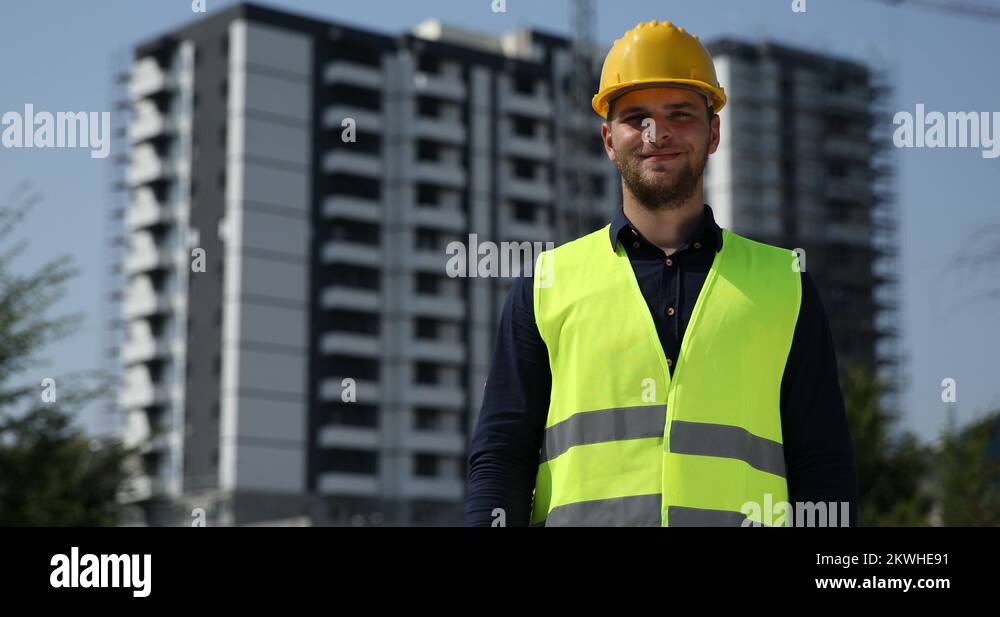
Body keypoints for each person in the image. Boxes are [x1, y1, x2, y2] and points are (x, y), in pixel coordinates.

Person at [466, 20, 858, 526]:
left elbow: (824, 470)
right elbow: (500, 459)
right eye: (636, 118)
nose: (658, 133)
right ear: (608, 140)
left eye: (680, 114)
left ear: (714, 132)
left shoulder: (786, 286)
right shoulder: (545, 286)